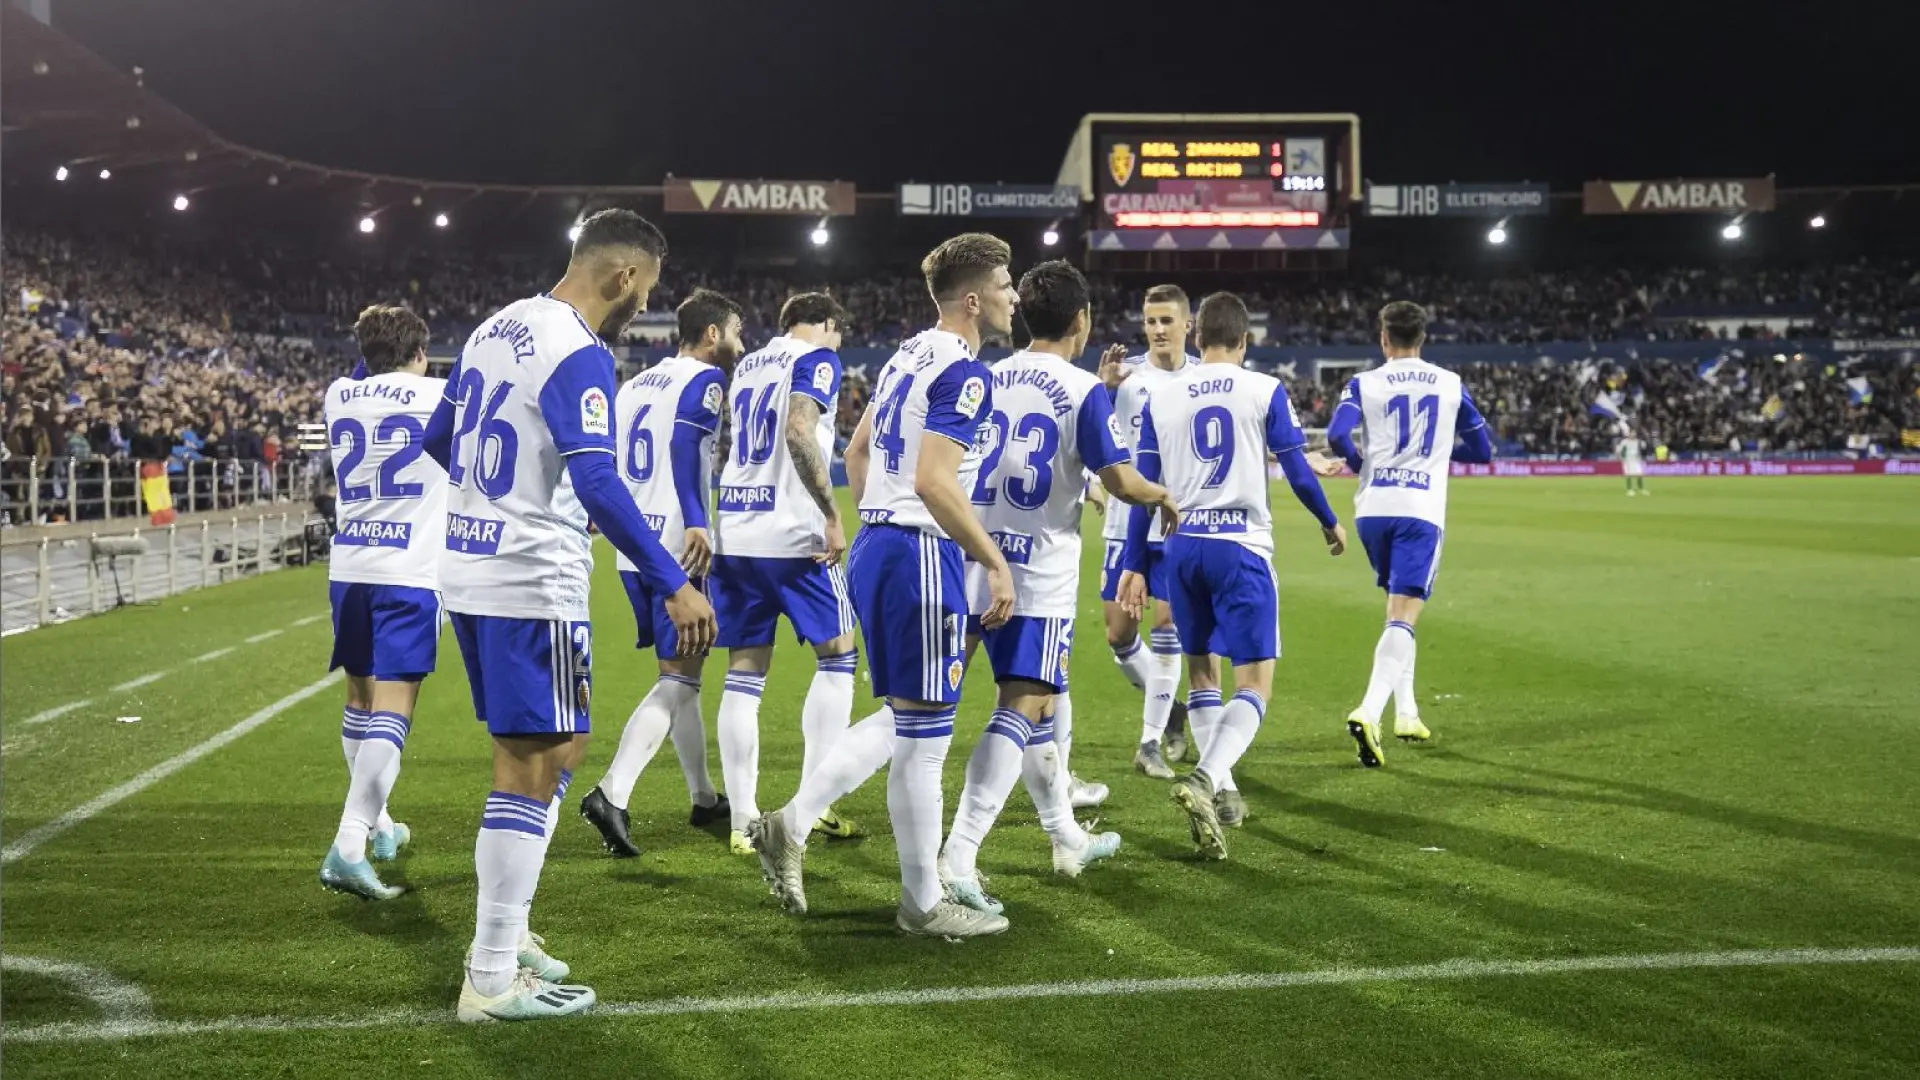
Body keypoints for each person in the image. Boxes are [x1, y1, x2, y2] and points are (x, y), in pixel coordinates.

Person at [424, 208, 717, 1022]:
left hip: (475, 567)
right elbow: (597, 482)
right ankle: (489, 975)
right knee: (530, 763)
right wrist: (672, 582)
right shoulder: (577, 349)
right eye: (645, 292)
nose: (641, 308)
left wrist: (511, 488)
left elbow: (442, 437)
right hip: (529, 582)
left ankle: (506, 931)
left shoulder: (496, 326)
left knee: (560, 751)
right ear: (624, 277)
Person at [751, 233, 1016, 938]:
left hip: (880, 547)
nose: (1013, 295)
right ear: (973, 298)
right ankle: (922, 904)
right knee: (927, 737)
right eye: (1004, 284)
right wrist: (992, 559)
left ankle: (793, 821)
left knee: (906, 718)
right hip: (919, 553)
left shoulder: (907, 353)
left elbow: (857, 449)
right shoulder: (964, 373)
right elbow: (933, 481)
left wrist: (877, 518)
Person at [937, 261, 1177, 920]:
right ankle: (959, 852)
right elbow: (1124, 480)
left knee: (1035, 708)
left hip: (974, 559)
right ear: (1084, 320)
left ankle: (1064, 836)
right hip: (1035, 576)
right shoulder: (1083, 390)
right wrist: (1161, 494)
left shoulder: (984, 375)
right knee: (1026, 705)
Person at [1119, 291, 1345, 860]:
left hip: (1183, 548)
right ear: (1245, 341)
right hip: (1240, 547)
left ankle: (1221, 787)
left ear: (1197, 339)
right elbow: (1296, 467)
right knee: (1255, 685)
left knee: (1202, 676)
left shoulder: (1161, 398)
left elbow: (1142, 492)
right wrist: (1329, 521)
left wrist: (1134, 565)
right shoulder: (1263, 389)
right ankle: (1207, 775)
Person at [577, 289, 742, 858]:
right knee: (678, 679)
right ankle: (613, 791)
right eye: (736, 331)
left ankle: (703, 797)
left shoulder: (636, 384)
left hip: (635, 547)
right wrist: (697, 521)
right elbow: (682, 444)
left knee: (683, 677)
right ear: (713, 334)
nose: (740, 342)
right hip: (677, 546)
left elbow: (610, 456)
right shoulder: (706, 380)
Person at [705, 292, 862, 856]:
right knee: (839, 656)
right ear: (825, 324)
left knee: (744, 675)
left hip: (738, 533)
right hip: (794, 536)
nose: (838, 346)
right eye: (838, 335)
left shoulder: (748, 364)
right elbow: (799, 431)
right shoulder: (815, 358)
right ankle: (812, 803)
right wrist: (831, 512)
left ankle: (742, 820)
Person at [1324, 300, 1492, 764]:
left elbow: (1338, 436)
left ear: (1383, 338)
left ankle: (1408, 711)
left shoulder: (1365, 383)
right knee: (1404, 615)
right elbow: (1482, 450)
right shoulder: (1450, 383)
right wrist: (1435, 456)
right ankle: (1370, 711)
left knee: (1396, 609)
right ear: (1422, 338)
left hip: (1373, 509)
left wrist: (1363, 465)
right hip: (1420, 508)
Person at [318, 305, 448, 902]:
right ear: (421, 353)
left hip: (350, 567)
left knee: (358, 697)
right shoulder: (442, 397)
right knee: (394, 708)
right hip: (408, 570)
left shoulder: (339, 395)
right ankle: (349, 842)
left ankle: (384, 821)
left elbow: (363, 369)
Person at [1094, 285, 1198, 782]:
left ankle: (1150, 742)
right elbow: (1087, 432)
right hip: (1124, 521)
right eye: (1150, 320)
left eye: (1166, 321)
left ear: (1187, 325)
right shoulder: (1125, 377)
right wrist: (1104, 388)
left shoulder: (1205, 379)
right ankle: (1173, 710)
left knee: (1168, 628)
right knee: (1119, 635)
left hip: (1178, 523)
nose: (1157, 329)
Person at [1618, 429, 1648, 496]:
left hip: (1636, 460)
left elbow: (1644, 447)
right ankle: (1629, 490)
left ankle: (1641, 489)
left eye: (1634, 433)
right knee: (1628, 474)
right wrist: (1621, 457)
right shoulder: (1624, 442)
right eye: (1631, 433)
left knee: (1639, 474)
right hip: (1627, 460)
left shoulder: (1639, 442)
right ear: (1628, 434)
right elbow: (1619, 450)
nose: (1633, 434)